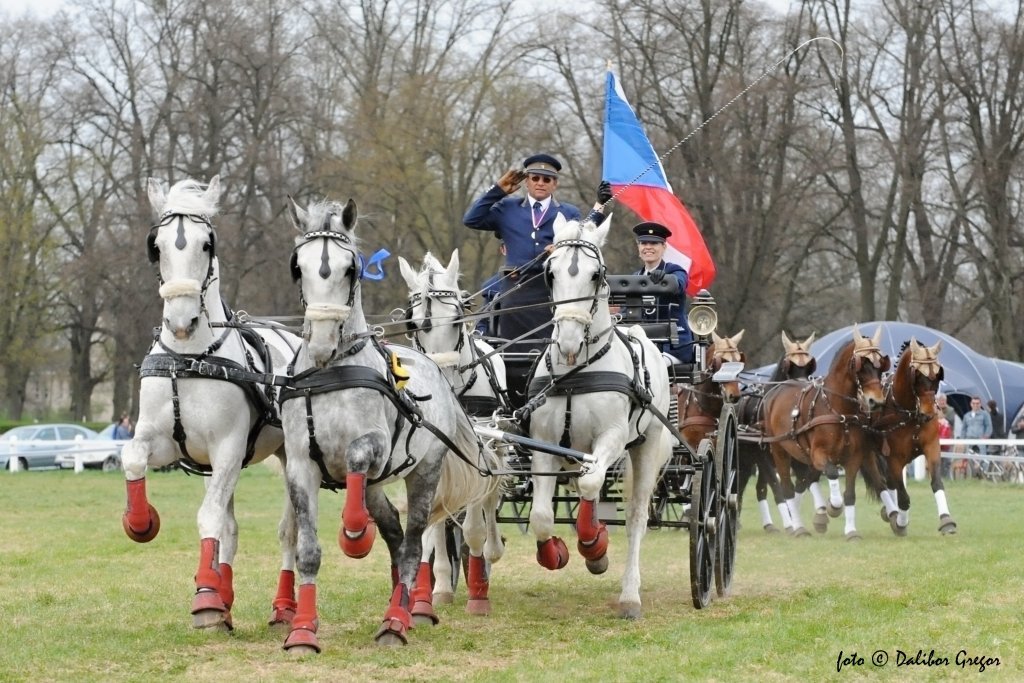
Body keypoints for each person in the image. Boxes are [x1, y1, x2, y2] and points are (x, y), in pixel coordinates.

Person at [463, 153, 610, 352]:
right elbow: (471, 220)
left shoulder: (568, 212)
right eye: (535, 178)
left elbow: (586, 232)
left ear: (554, 184)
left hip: (550, 288)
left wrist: (599, 205)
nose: (540, 183)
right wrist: (497, 191)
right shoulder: (508, 208)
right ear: (527, 182)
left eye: (547, 179)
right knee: (509, 346)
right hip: (515, 289)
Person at [629, 221, 694, 364]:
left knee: (650, 365)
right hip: (642, 344)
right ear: (638, 247)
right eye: (644, 243)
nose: (648, 247)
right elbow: (627, 312)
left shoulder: (675, 271)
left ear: (664, 247)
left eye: (654, 243)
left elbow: (679, 284)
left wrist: (665, 279)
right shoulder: (634, 278)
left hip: (672, 346)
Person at [960, 396, 993, 477]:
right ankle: (969, 474)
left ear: (980, 404)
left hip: (980, 439)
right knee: (967, 456)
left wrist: (985, 436)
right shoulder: (967, 415)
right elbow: (963, 429)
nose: (975, 405)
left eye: (977, 403)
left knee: (982, 457)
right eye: (974, 403)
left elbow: (989, 426)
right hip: (969, 439)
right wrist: (961, 440)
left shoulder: (985, 414)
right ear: (971, 404)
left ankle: (984, 475)